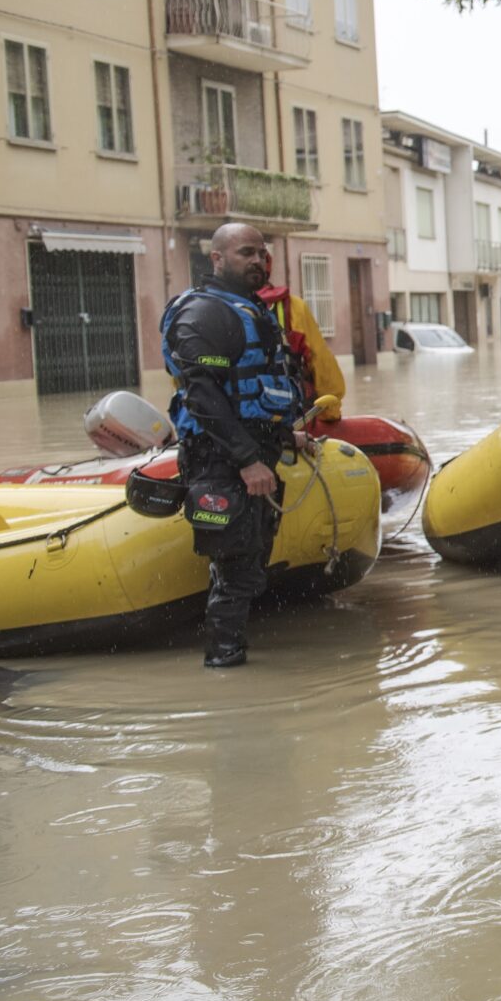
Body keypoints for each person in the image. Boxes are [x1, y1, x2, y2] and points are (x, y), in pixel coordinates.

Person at [160, 223, 310, 670]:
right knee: (237, 568)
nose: (259, 261)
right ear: (218, 258)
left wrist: (286, 436)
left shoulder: (250, 310)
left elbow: (249, 396)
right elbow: (202, 395)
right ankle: (224, 664)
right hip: (219, 460)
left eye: (263, 254)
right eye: (247, 252)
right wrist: (246, 461)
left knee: (249, 563)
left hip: (250, 452)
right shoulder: (204, 313)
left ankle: (233, 655)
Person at [257, 250, 345, 420]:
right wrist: (330, 412)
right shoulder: (293, 307)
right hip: (289, 415)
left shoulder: (214, 309)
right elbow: (322, 363)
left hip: (237, 422)